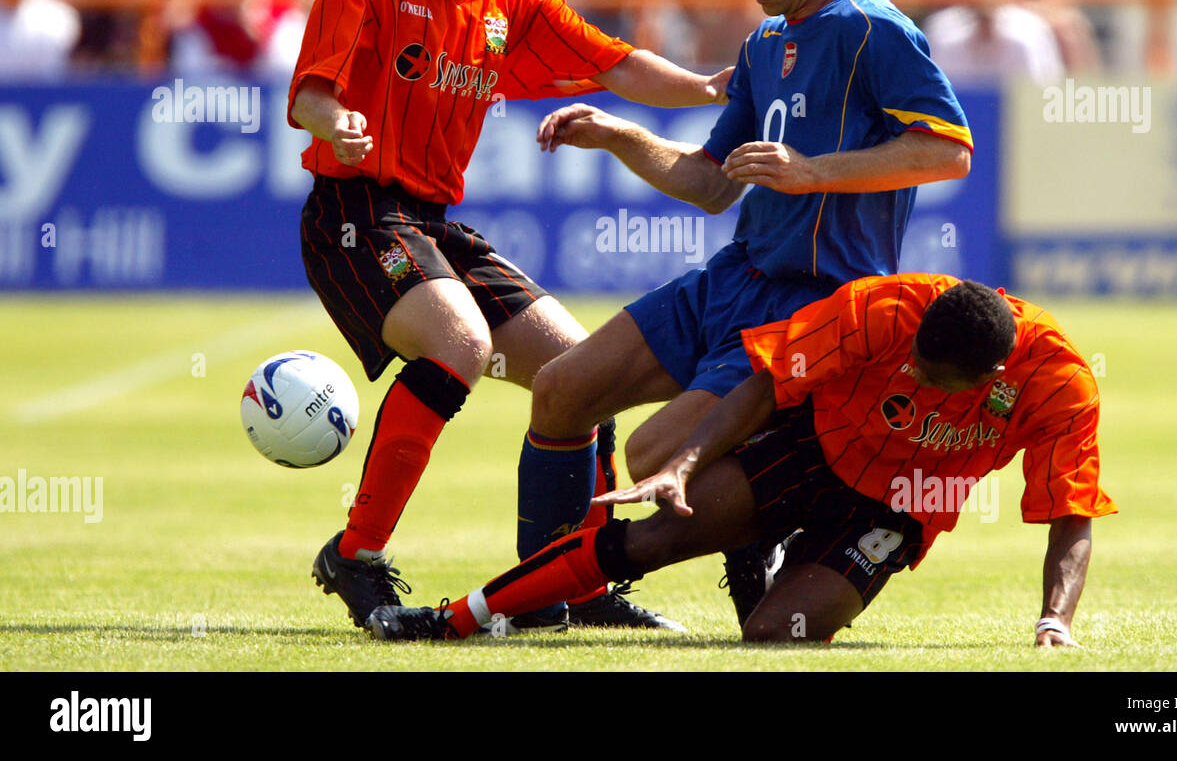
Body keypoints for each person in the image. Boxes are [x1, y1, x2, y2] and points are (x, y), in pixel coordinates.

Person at [289, 0, 728, 633]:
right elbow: (307, 95)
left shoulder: (511, 0)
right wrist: (337, 119)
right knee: (456, 344)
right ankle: (354, 555)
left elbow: (620, 64)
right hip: (352, 213)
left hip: (429, 220)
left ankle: (578, 585)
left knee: (586, 374)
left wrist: (710, 87)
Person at [515, 0, 972, 626]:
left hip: (814, 300)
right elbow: (714, 183)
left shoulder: (875, 29)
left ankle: (763, 517)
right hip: (733, 277)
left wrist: (814, 173)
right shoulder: (765, 42)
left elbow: (948, 151)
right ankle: (554, 598)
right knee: (561, 389)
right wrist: (620, 135)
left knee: (654, 456)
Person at [365, 274, 1117, 645]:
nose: (913, 374)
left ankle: (779, 551)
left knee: (773, 635)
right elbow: (765, 383)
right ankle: (455, 618)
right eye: (914, 361)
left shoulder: (1060, 385)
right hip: (809, 451)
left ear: (988, 379)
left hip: (895, 510)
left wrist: (1055, 621)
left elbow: (1071, 514)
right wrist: (685, 463)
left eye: (932, 377)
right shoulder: (889, 307)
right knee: (652, 539)